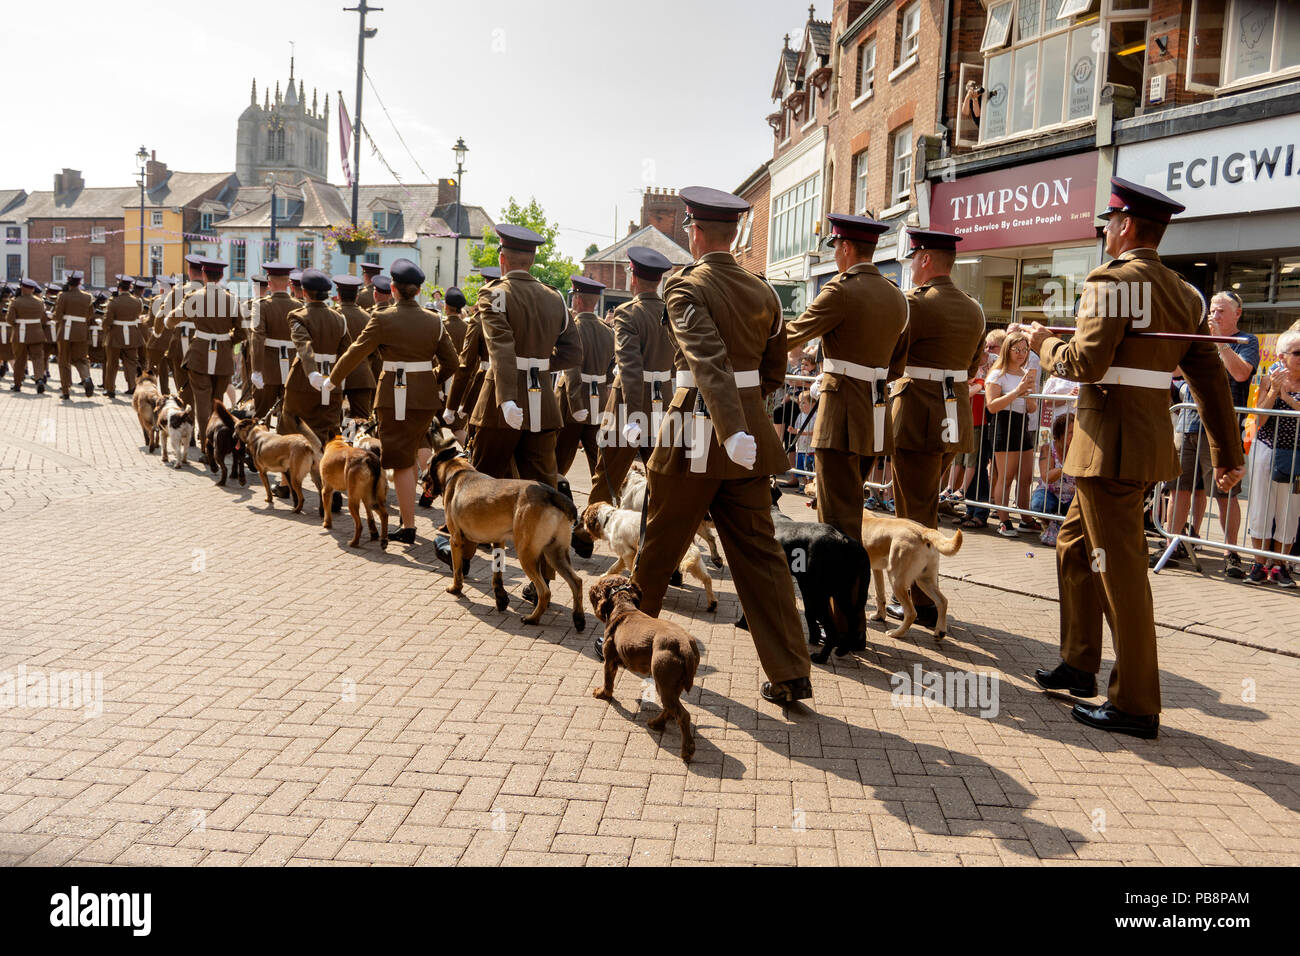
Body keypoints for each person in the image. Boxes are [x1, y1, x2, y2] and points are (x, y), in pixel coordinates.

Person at [1027, 177, 1244, 739]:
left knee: (1121, 574)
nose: (1103, 231)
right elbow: (1209, 377)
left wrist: (1039, 343)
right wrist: (1227, 449)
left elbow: (1085, 363)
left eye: (1108, 223)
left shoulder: (1112, 281)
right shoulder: (1184, 292)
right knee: (1077, 549)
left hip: (1109, 445)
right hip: (1140, 443)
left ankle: (1136, 704)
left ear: (1125, 227)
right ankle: (1079, 664)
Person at [625, 186, 812, 705]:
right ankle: (791, 670)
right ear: (734, 234)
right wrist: (745, 420)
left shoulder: (685, 287)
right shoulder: (765, 291)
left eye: (688, 229)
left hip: (696, 432)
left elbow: (707, 361)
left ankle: (635, 649)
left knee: (660, 545)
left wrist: (728, 429)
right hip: (748, 434)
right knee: (761, 555)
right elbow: (773, 370)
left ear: (696, 231)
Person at [785, 212, 907, 544]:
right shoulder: (897, 295)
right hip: (875, 413)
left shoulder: (840, 290)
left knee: (835, 515)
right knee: (851, 502)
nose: (835, 253)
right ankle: (850, 585)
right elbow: (898, 363)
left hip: (840, 415)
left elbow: (792, 333)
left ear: (847, 248)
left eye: (836, 246)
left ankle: (843, 591)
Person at [886, 229, 986, 628]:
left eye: (914, 258)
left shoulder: (915, 304)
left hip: (918, 414)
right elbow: (975, 363)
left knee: (912, 513)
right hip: (953, 413)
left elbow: (893, 357)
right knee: (923, 504)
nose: (912, 266)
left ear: (926, 259)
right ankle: (924, 596)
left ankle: (919, 600)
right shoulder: (974, 308)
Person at [326, 258, 459, 549]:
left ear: (394, 289)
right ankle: (419, 518)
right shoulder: (433, 319)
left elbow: (356, 351)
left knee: (399, 461)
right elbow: (452, 362)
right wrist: (431, 378)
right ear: (419, 289)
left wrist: (333, 379)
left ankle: (408, 526)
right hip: (424, 398)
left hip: (394, 396)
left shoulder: (383, 317)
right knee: (410, 454)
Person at [468, 224, 583, 487]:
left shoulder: (495, 293)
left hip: (499, 406)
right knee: (542, 489)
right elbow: (574, 353)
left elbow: (501, 347)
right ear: (531, 261)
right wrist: (539, 365)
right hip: (542, 401)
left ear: (501, 258)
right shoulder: (554, 298)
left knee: (484, 485)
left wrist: (507, 399)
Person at [585, 247, 676, 507]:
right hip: (663, 403)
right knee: (660, 478)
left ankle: (586, 534)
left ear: (633, 278)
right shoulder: (671, 312)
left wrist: (635, 412)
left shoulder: (627, 312)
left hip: (627, 408)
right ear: (659, 280)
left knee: (607, 477)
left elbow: (629, 367)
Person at [284, 269, 351, 512]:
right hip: (331, 383)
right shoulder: (339, 319)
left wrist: (312, 371)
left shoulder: (297, 315)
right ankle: (330, 490)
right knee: (328, 437)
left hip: (303, 383)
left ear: (304, 292)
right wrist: (337, 378)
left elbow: (303, 344)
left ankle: (291, 485)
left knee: (294, 433)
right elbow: (347, 352)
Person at [1242, 328, 1300, 587]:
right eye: (1298, 353)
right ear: (1281, 356)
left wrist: (1287, 396)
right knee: (1260, 506)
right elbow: (1259, 419)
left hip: (1297, 455)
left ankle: (1280, 564)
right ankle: (1259, 563)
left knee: (1289, 510)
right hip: (1266, 449)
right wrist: (1274, 392)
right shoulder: (1266, 378)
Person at [166, 258, 239, 446]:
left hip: (199, 354)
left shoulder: (195, 297)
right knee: (218, 400)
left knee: (202, 401)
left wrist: (167, 321)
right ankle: (216, 440)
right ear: (221, 275)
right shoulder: (232, 299)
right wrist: (227, 340)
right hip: (222, 355)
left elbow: (173, 319)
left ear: (204, 275)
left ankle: (206, 444)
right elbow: (243, 332)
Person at [555, 275, 616, 479]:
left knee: (558, 460)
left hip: (571, 404)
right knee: (598, 461)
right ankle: (602, 503)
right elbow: (611, 369)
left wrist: (576, 403)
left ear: (578, 299)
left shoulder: (573, 328)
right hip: (598, 401)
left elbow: (571, 368)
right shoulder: (608, 331)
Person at [984, 330, 1040, 537]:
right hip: (1003, 423)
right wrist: (1017, 392)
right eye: (1017, 349)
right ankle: (1004, 520)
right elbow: (992, 406)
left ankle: (1025, 518)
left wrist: (1028, 395)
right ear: (1008, 349)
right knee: (1005, 477)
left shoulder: (1024, 374)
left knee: (1025, 477)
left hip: (1021, 423)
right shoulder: (998, 374)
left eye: (1025, 350)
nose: (1021, 354)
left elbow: (1032, 408)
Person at [248, 262, 298, 423]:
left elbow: (257, 337)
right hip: (291, 367)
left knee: (262, 417)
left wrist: (256, 369)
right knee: (289, 415)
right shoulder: (299, 306)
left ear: (269, 284)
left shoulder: (260, 305)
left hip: (267, 369)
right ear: (289, 284)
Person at [333, 275, 376, 421]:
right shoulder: (368, 317)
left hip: (335, 374)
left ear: (338, 294)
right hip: (361, 374)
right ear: (357, 295)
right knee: (363, 422)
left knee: (333, 421)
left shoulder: (333, 315)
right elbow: (374, 351)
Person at [1030, 413, 1076, 546]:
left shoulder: (1080, 450)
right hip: (1050, 493)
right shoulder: (1048, 448)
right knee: (1038, 504)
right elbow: (1047, 477)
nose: (1074, 436)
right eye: (1070, 432)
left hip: (1071, 497)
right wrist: (1065, 465)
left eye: (1076, 433)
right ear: (1060, 433)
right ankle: (1050, 524)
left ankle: (1063, 526)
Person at [51, 270, 96, 401]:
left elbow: (58, 315)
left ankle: (66, 391)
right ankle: (86, 378)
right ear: (80, 282)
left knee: (64, 361)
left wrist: (52, 316)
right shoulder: (87, 296)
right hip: (81, 331)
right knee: (81, 359)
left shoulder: (63, 296)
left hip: (66, 331)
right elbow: (90, 314)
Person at [102, 275, 143, 399]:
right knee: (131, 362)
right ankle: (132, 386)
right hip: (132, 334)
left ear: (119, 288)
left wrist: (105, 328)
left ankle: (110, 389)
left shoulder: (113, 302)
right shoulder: (137, 301)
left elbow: (107, 321)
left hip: (115, 335)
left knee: (112, 363)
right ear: (130, 287)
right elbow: (138, 315)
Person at [6, 278, 50, 393]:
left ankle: (17, 384)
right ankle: (39, 379)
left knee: (20, 359)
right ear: (32, 289)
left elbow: (10, 320)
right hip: (36, 334)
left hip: (20, 334)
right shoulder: (39, 301)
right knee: (38, 358)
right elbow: (44, 319)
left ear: (22, 288)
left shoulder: (15, 302)